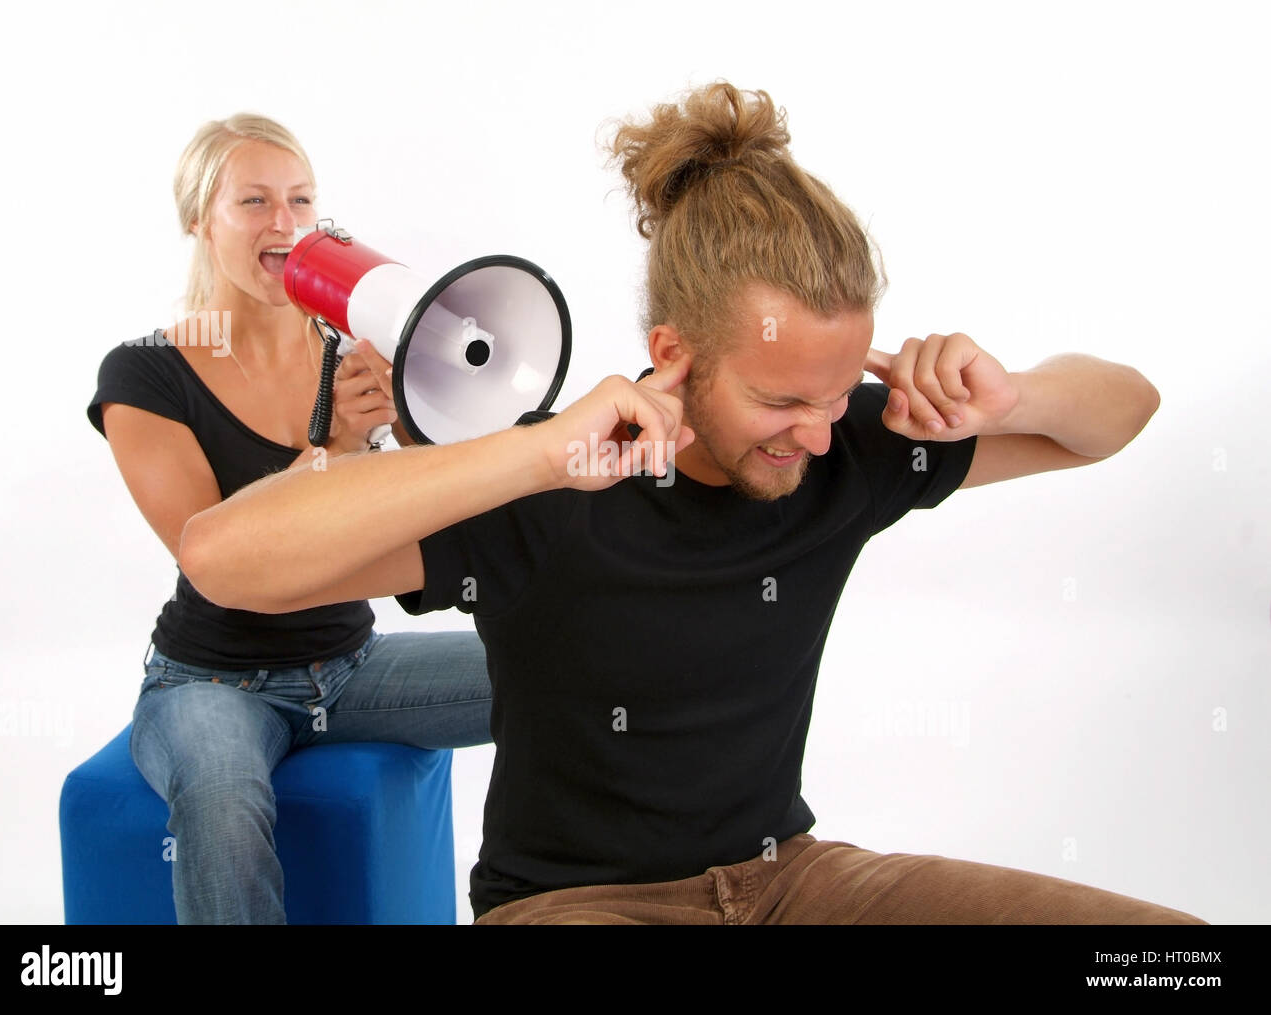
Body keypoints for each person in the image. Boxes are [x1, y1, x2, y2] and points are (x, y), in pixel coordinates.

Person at [175, 85, 1204, 925]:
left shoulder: (849, 448)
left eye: (838, 391)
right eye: (779, 399)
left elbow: (1122, 412)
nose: (816, 429)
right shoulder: (552, 482)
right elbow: (222, 556)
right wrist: (531, 453)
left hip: (793, 882)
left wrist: (1014, 392)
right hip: (572, 906)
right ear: (674, 354)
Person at [85, 113, 492, 925]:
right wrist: (330, 448)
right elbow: (218, 558)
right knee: (223, 802)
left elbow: (398, 514)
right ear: (199, 219)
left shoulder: (350, 344)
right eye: (255, 201)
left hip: (348, 666)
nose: (286, 223)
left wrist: (413, 422)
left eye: (302, 200)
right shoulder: (143, 373)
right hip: (209, 683)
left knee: (563, 662)